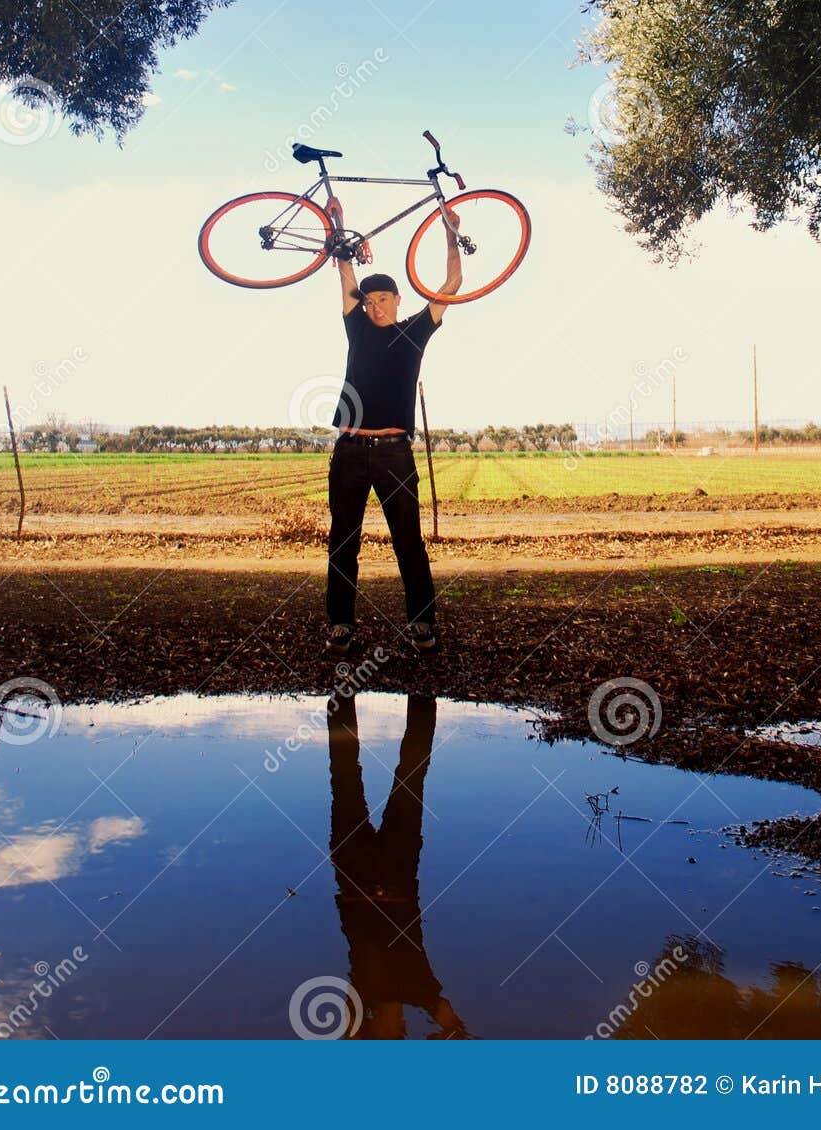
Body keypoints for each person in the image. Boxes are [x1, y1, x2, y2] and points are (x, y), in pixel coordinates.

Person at [323, 196, 461, 657]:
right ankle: (341, 625)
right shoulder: (356, 328)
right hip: (348, 450)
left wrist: (449, 231)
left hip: (394, 453)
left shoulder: (416, 330)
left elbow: (453, 282)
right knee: (343, 542)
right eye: (369, 301)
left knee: (409, 543)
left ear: (398, 300)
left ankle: (422, 625)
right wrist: (337, 218)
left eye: (383, 299)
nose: (376, 306)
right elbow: (343, 269)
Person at [328, 690, 467, 1039]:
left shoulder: (363, 1001)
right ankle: (422, 690)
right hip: (398, 873)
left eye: (396, 1032)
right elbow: (457, 1031)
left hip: (354, 875)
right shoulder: (420, 992)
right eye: (404, 1032)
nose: (403, 1025)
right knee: (410, 774)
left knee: (346, 775)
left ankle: (343, 689)